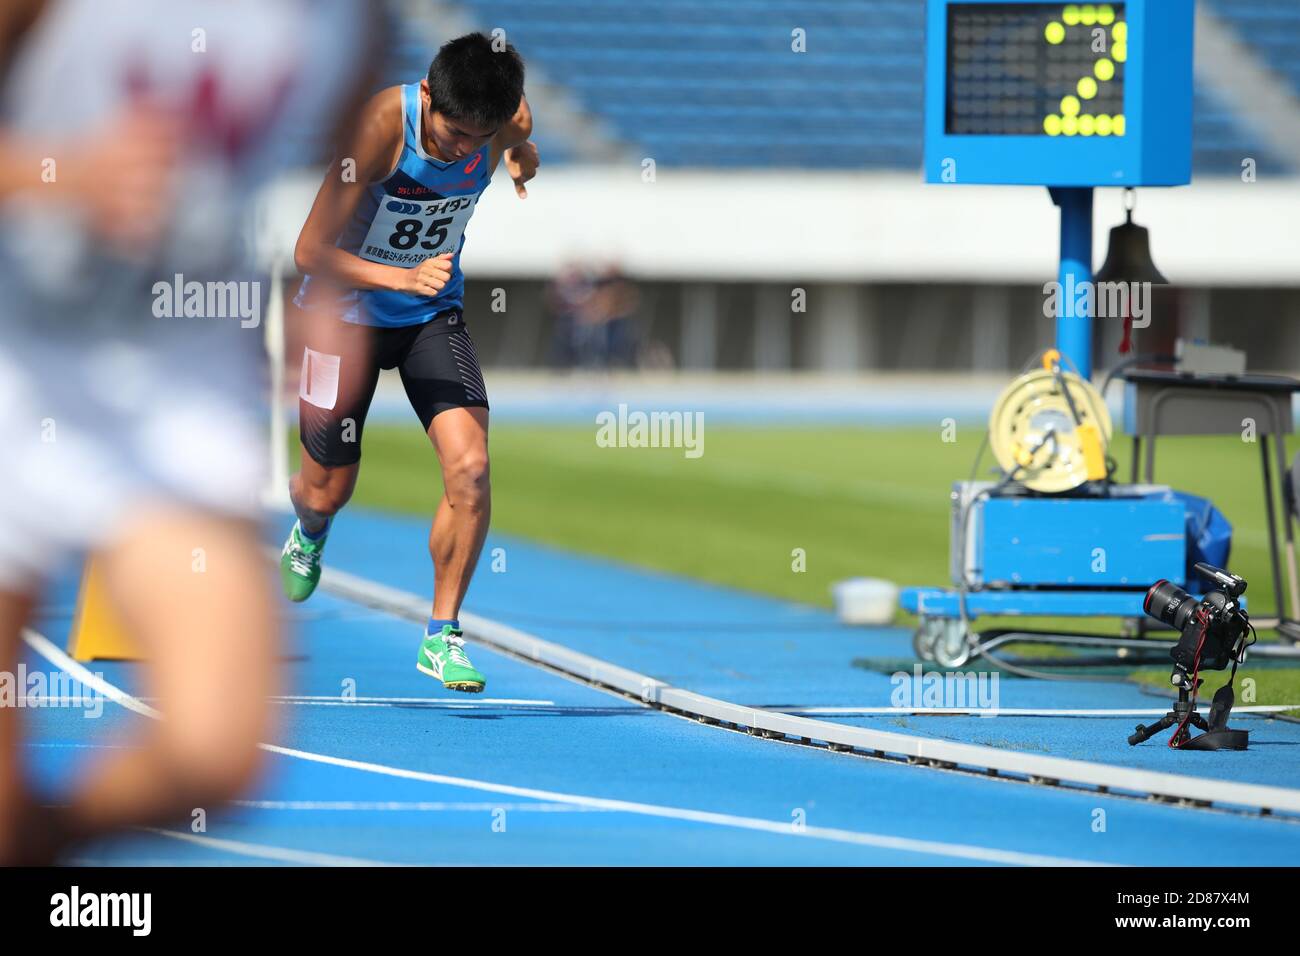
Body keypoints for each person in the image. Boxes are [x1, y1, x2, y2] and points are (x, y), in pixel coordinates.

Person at [0, 0, 377, 864]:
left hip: (177, 382)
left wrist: (325, 295)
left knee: (217, 749)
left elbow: (355, 145)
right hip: (13, 359)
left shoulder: (344, 19)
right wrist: (61, 175)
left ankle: (42, 841)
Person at [283, 32, 540, 694]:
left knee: (472, 467)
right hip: (341, 320)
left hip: (430, 316)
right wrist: (398, 278)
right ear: (426, 96)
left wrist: (520, 155)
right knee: (326, 489)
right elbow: (309, 250)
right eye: (453, 134)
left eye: (477, 138)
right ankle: (309, 533)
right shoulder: (377, 130)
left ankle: (442, 635)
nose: (463, 148)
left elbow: (516, 135)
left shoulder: (504, 117)